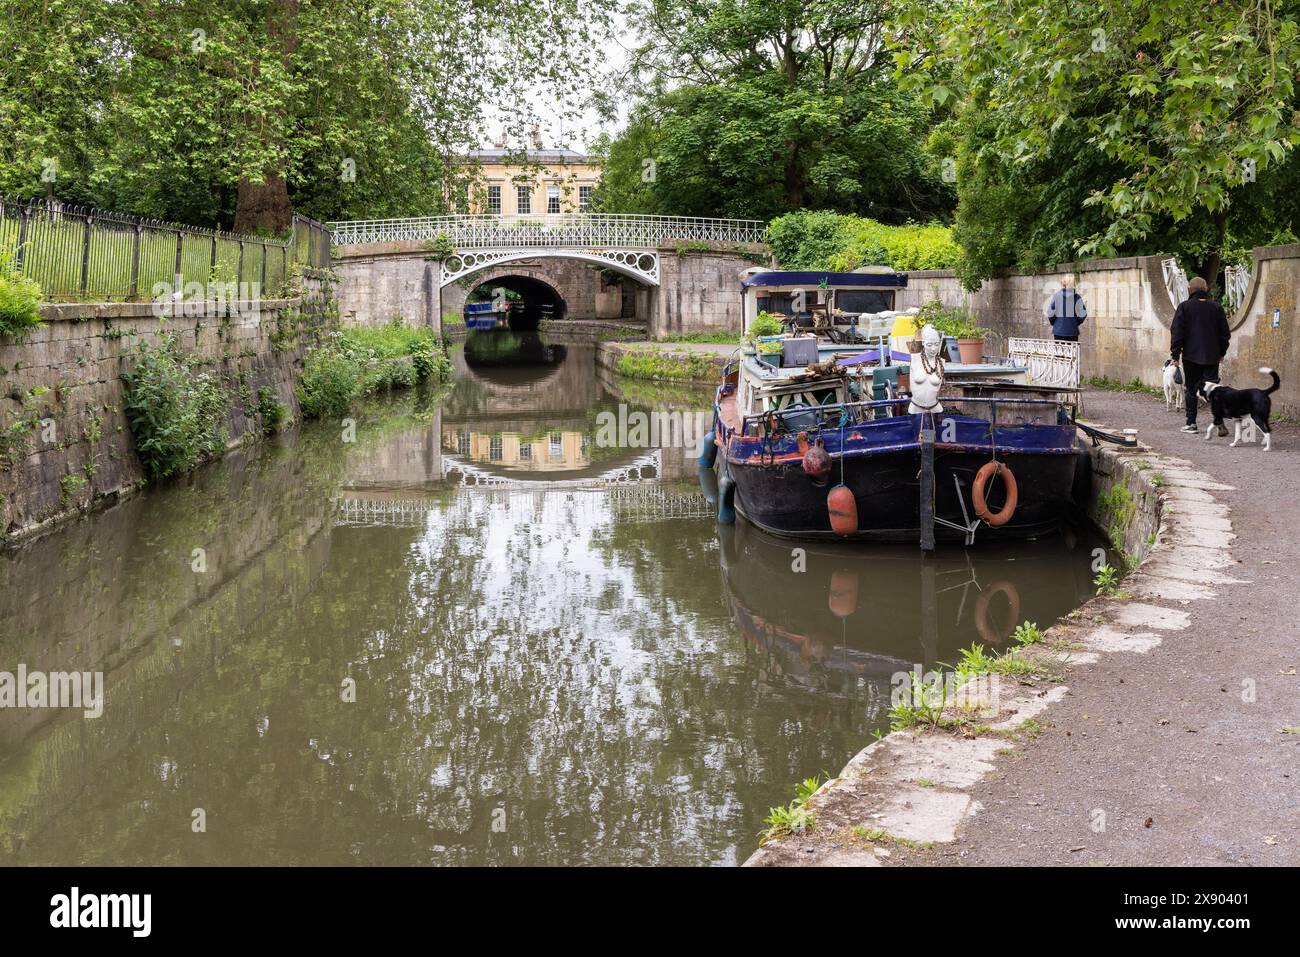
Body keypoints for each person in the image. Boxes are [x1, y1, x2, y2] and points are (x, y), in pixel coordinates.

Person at [1170, 276, 1230, 434]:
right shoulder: (1216, 307)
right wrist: (1221, 352)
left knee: (1191, 389)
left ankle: (1191, 423)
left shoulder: (1184, 307)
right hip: (1212, 356)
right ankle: (1219, 422)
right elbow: (1225, 334)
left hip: (1190, 356)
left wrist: (1175, 355)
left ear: (1190, 290)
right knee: (1213, 390)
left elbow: (1177, 333)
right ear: (1206, 289)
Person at [1046, 274, 1087, 342]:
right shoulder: (1077, 297)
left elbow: (1050, 314)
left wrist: (1056, 323)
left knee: (1060, 352)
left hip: (1059, 331)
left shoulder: (1057, 296)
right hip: (1072, 332)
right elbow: (1083, 314)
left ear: (1063, 283)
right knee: (1072, 352)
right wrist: (1075, 322)